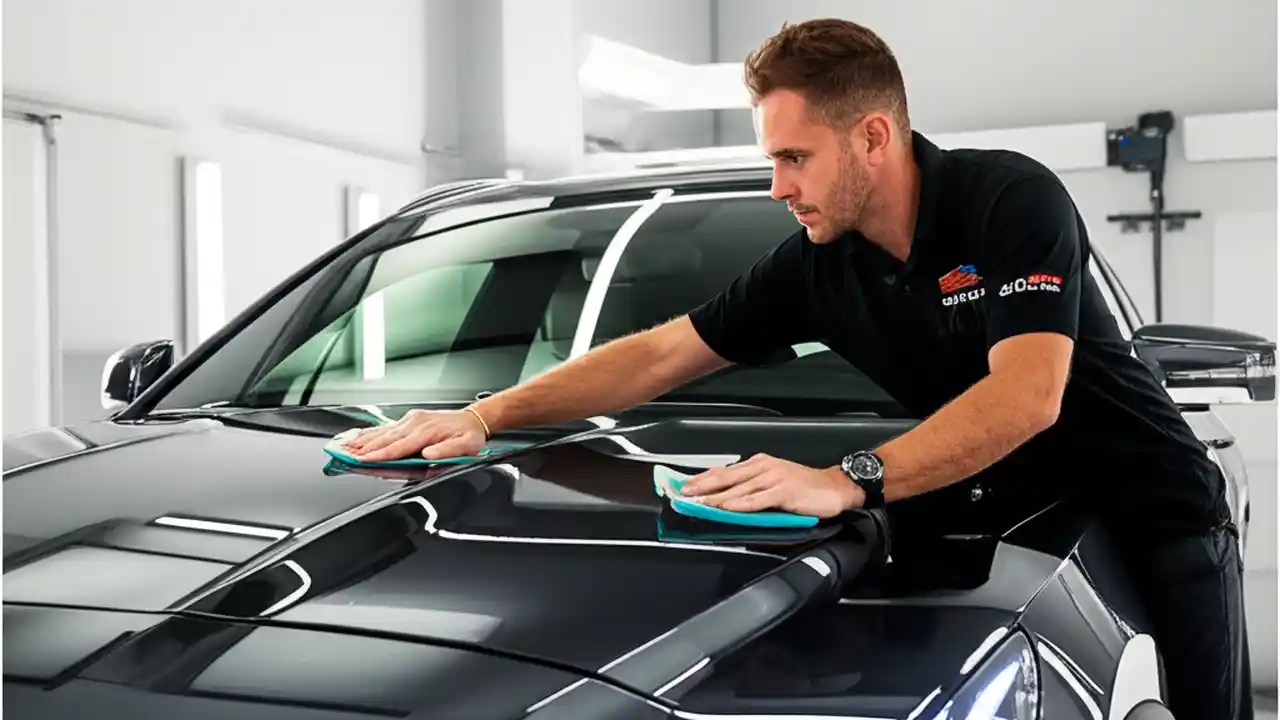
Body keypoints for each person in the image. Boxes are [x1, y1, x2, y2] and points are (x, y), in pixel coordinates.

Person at [340, 18, 1251, 719]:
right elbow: (661, 352)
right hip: (975, 509)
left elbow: (1028, 394)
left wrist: (849, 477)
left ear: (874, 137)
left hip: (1152, 513)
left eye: (792, 156)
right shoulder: (817, 266)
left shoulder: (1009, 199)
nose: (777, 185)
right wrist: (489, 417)